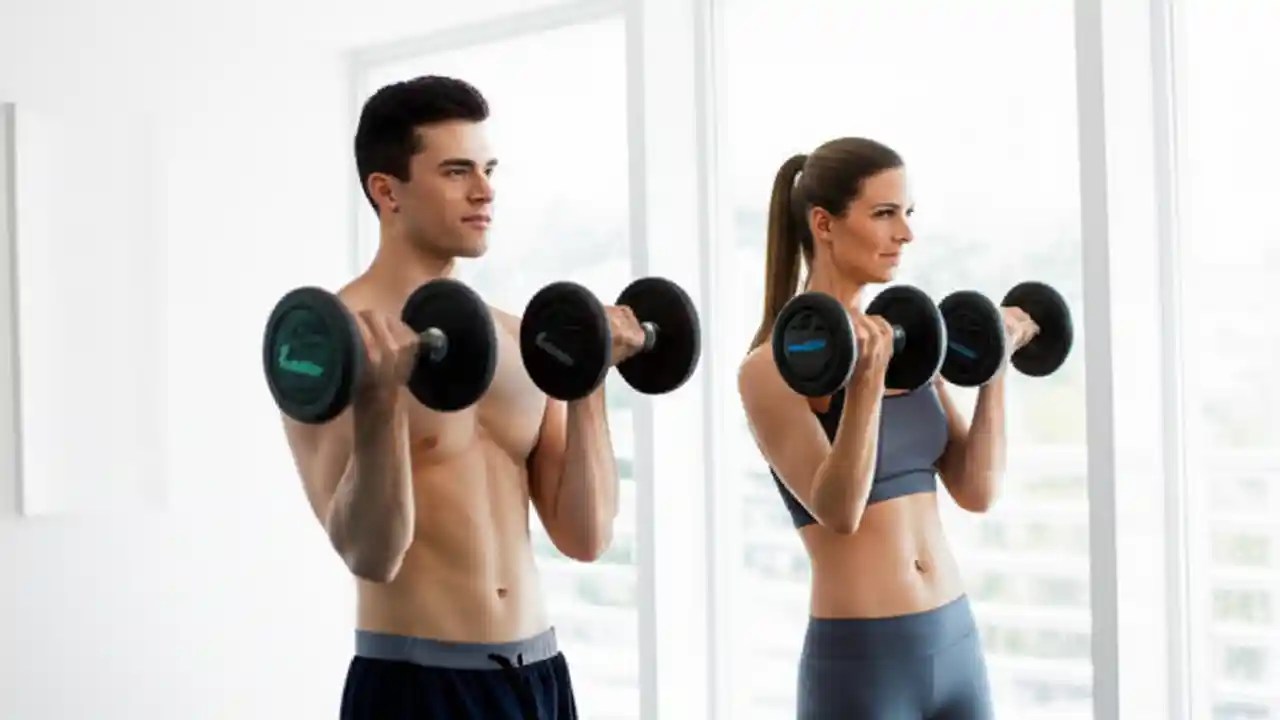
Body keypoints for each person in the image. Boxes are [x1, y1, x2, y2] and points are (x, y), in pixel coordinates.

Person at [281, 75, 644, 720]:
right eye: (456, 171)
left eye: (488, 169)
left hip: (539, 678)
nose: (485, 191)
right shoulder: (333, 342)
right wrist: (382, 406)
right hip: (416, 685)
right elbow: (370, 553)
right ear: (386, 190)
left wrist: (589, 381)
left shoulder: (519, 338)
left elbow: (586, 536)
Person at [736, 138, 1039, 719]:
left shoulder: (909, 337)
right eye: (884, 213)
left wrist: (995, 364)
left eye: (908, 213)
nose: (905, 233)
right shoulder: (772, 368)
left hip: (955, 639)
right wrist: (866, 384)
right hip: (864, 662)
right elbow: (840, 511)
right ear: (824, 224)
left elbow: (976, 490)